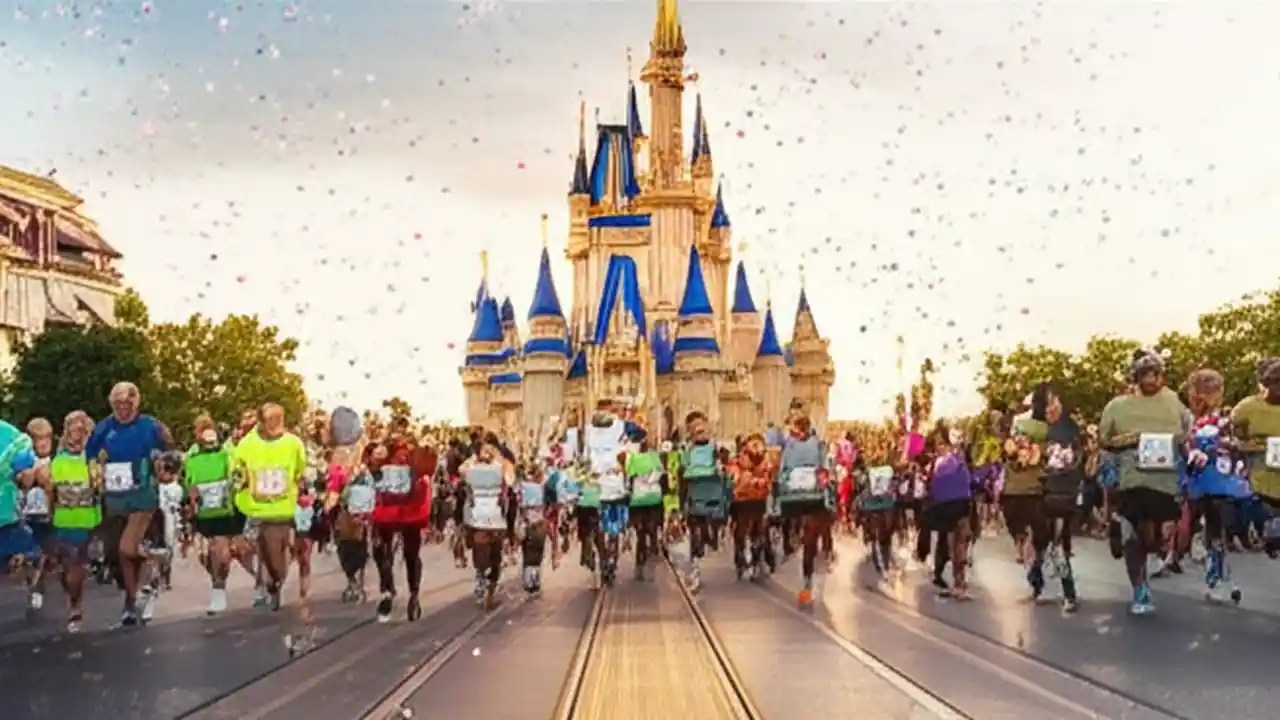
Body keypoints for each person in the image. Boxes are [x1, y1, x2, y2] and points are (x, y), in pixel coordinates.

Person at [1099, 349, 1191, 615]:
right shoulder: (1117, 406)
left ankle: (1156, 551)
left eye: (1156, 373)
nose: (1151, 378)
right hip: (1133, 480)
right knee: (1133, 539)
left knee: (1159, 536)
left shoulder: (1174, 402)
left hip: (1167, 481)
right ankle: (1140, 589)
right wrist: (1130, 440)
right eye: (1145, 374)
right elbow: (1104, 442)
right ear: (1135, 377)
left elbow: (1187, 431)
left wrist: (1185, 448)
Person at [87, 382, 173, 628]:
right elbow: (90, 455)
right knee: (115, 552)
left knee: (127, 547)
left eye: (128, 404)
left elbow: (171, 452)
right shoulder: (104, 428)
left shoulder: (151, 425)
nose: (123, 409)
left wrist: (162, 464)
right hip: (114, 496)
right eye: (118, 404)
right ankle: (131, 599)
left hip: (142, 494)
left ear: (136, 404)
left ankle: (152, 567)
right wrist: (95, 469)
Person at [232, 403, 310, 628]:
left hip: (281, 507)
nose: (276, 424)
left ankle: (275, 580)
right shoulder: (247, 444)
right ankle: (270, 581)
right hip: (255, 506)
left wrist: (301, 485)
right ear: (261, 422)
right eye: (270, 420)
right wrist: (240, 482)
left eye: (279, 419)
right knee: (262, 549)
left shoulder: (293, 443)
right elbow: (238, 470)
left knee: (276, 549)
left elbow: (299, 471)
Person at [48, 411, 98, 632]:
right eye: (72, 426)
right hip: (62, 519)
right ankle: (73, 598)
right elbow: (51, 492)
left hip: (87, 519)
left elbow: (100, 488)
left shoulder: (94, 457)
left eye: (81, 427)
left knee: (76, 566)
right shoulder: (57, 460)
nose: (76, 431)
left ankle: (76, 607)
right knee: (65, 569)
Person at [775, 412, 832, 605]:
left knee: (811, 541)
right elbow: (783, 470)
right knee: (783, 511)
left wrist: (824, 482)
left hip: (812, 495)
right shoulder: (790, 446)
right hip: (795, 496)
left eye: (797, 428)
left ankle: (807, 582)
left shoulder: (816, 444)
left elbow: (824, 468)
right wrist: (784, 482)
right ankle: (789, 535)